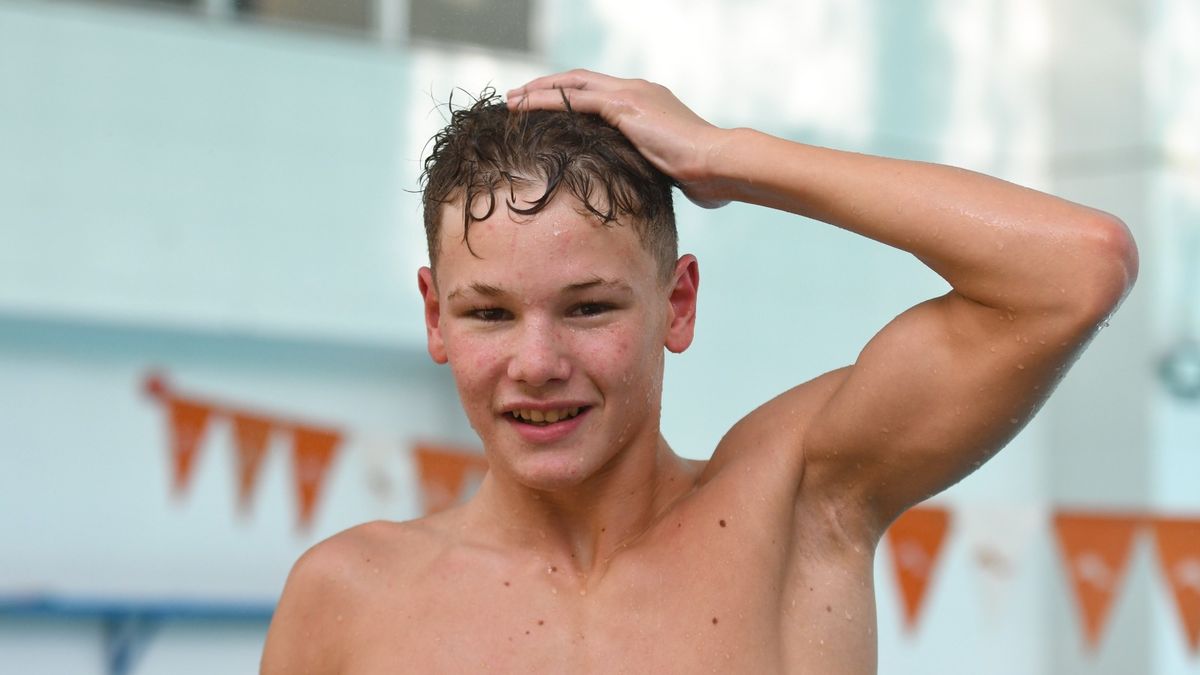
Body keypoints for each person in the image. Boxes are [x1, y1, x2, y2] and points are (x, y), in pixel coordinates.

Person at [260, 70, 1137, 673]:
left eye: (589, 307)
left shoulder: (796, 503)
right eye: (489, 312)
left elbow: (1077, 269)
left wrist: (728, 157)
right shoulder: (348, 596)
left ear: (677, 304)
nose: (537, 364)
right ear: (434, 316)